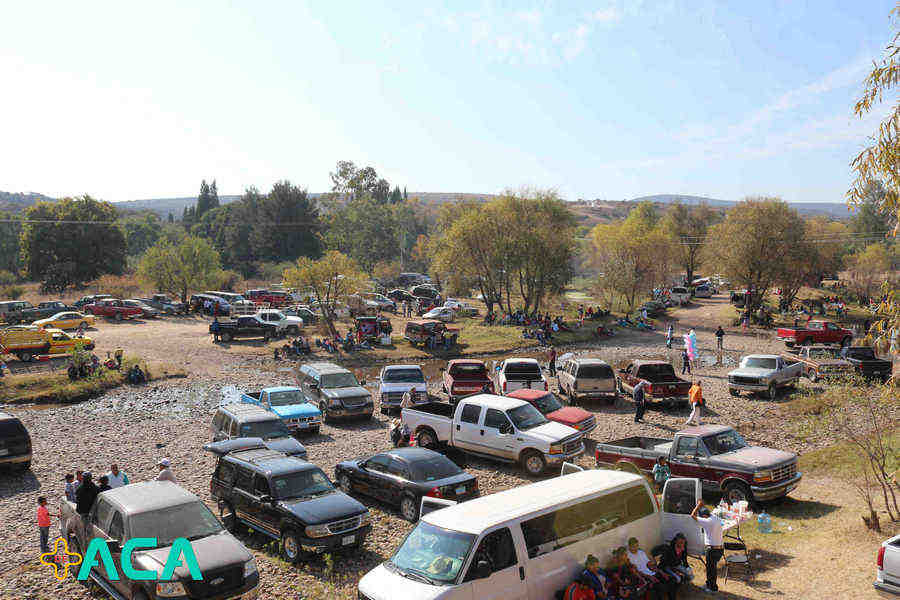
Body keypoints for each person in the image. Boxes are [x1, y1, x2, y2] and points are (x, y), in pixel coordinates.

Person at [691, 499, 724, 593]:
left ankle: (713, 588)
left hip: (712, 550)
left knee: (711, 570)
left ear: (704, 516)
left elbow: (692, 515)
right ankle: (709, 584)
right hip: (720, 549)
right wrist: (702, 505)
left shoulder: (707, 522)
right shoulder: (716, 518)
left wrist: (697, 506)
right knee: (711, 568)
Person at [75, 472, 99, 540]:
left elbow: (77, 498)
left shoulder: (80, 489)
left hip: (84, 512)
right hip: (93, 511)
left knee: (86, 529)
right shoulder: (94, 487)